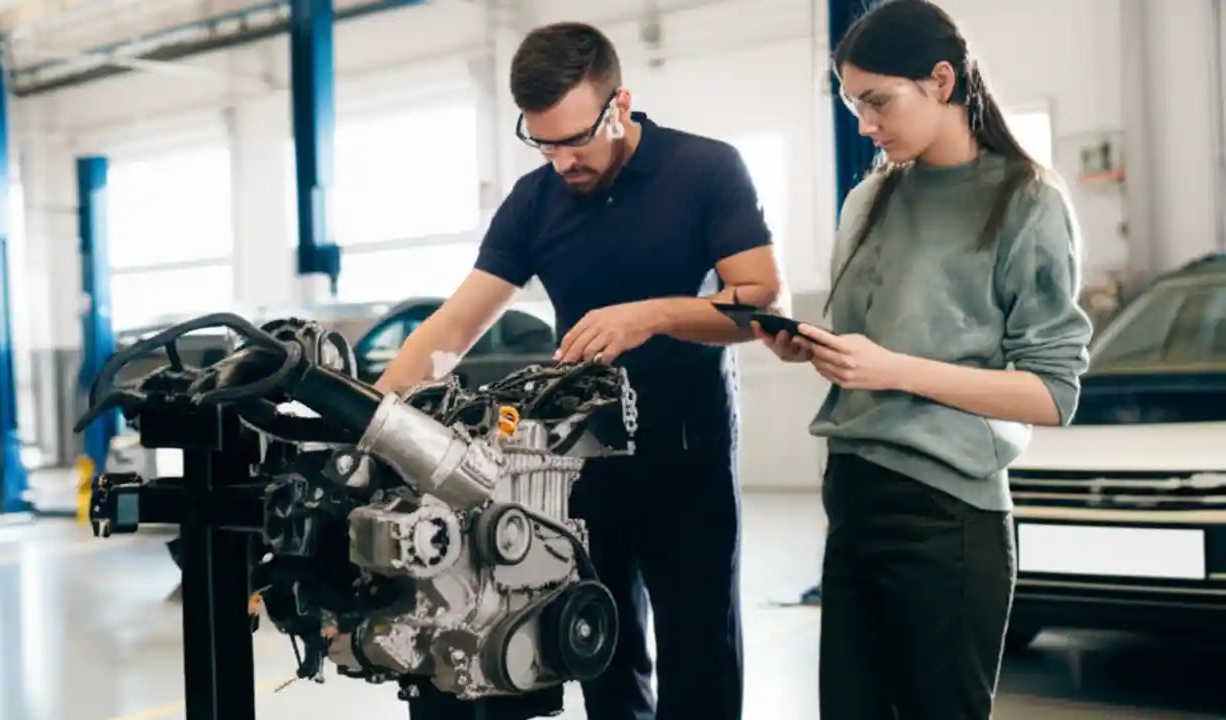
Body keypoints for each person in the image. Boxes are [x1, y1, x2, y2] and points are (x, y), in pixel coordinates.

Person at [371, 21, 782, 720]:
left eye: (576, 139)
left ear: (619, 105)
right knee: (599, 648)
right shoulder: (534, 202)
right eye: (544, 142)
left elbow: (762, 298)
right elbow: (454, 326)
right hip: (578, 467)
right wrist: (376, 415)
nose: (563, 160)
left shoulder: (706, 170)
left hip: (689, 456)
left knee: (700, 654)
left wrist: (649, 315)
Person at [753, 1, 1093, 718]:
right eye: (852, 104)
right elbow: (879, 345)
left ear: (942, 81)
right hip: (853, 497)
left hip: (948, 514)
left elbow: (1052, 394)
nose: (865, 124)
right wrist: (813, 349)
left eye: (878, 101)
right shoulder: (870, 196)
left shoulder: (1026, 200)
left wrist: (892, 369)